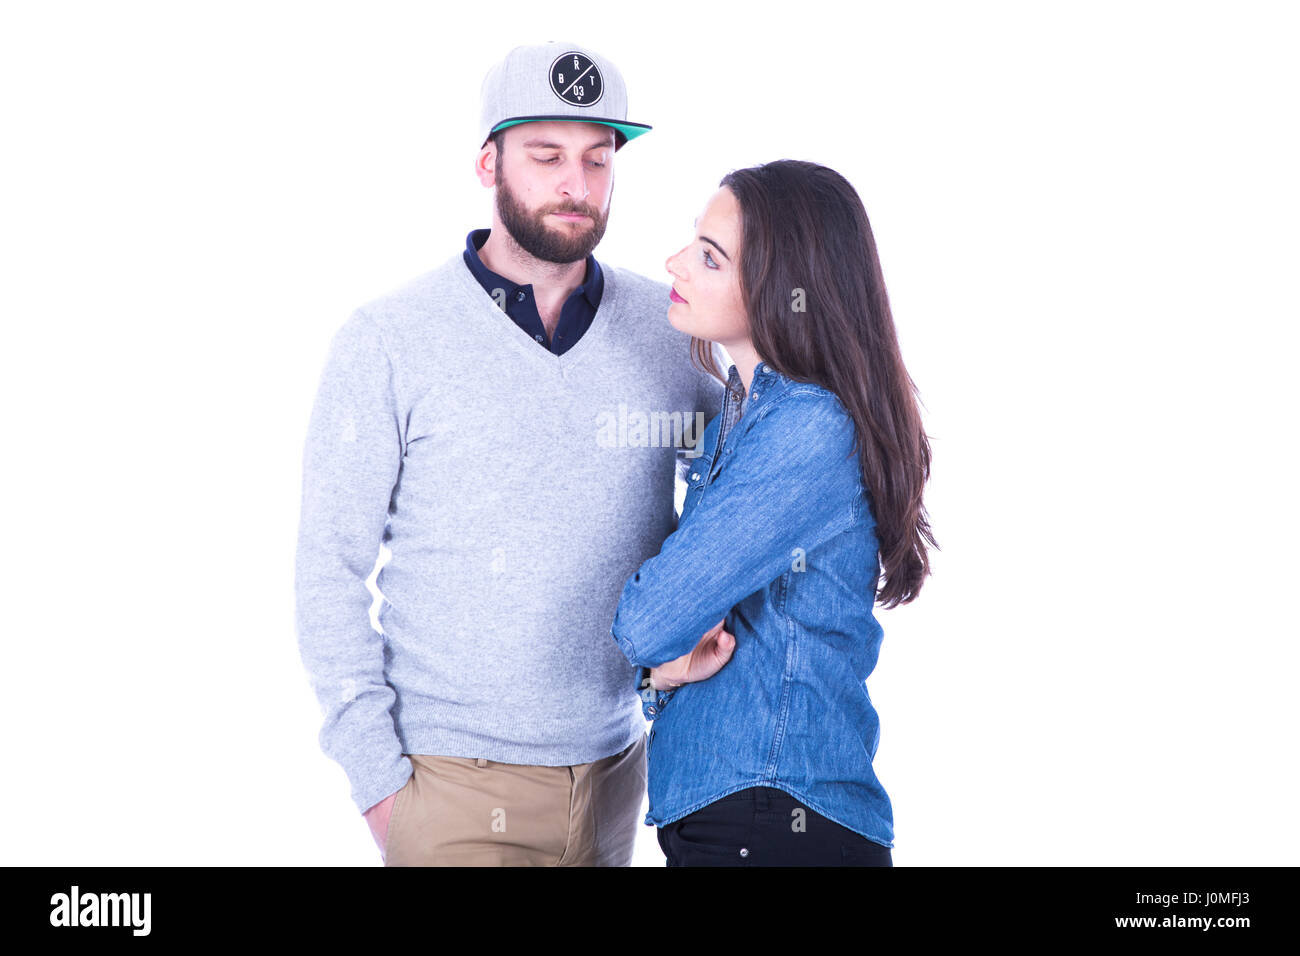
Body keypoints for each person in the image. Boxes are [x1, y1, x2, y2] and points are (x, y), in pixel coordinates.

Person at [294, 40, 733, 866]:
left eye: (598, 160)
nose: (577, 184)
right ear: (488, 162)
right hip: (451, 785)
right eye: (546, 156)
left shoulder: (672, 333)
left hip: (619, 777)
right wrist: (383, 793)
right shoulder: (390, 340)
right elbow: (327, 570)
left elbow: (743, 495)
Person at [611, 159, 937, 866]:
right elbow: (665, 642)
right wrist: (662, 675)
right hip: (740, 821)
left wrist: (658, 656)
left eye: (709, 257)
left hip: (774, 822)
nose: (675, 263)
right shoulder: (740, 417)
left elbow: (648, 622)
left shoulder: (807, 429)